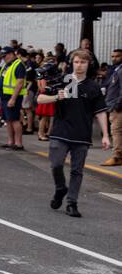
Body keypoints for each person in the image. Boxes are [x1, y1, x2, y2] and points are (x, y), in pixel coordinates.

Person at [40, 48, 111, 218]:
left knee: (77, 171)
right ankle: (60, 189)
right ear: (72, 63)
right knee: (56, 164)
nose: (79, 65)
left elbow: (100, 112)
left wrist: (106, 135)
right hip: (60, 131)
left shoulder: (93, 87)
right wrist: (56, 97)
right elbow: (40, 99)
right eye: (76, 62)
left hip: (81, 134)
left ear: (88, 64)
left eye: (83, 62)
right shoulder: (61, 80)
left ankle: (72, 203)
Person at [0, 46, 27, 151]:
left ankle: (18, 144)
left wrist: (13, 99)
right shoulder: (8, 65)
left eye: (4, 56)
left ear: (11, 54)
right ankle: (11, 142)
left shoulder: (18, 65)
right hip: (5, 96)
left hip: (12, 97)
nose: (3, 58)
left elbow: (19, 83)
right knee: (8, 120)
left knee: (14, 119)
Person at [103, 48, 122, 167]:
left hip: (118, 107)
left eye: (117, 56)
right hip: (113, 105)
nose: (114, 58)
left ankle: (117, 157)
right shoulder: (116, 69)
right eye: (113, 56)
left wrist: (117, 106)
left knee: (116, 131)